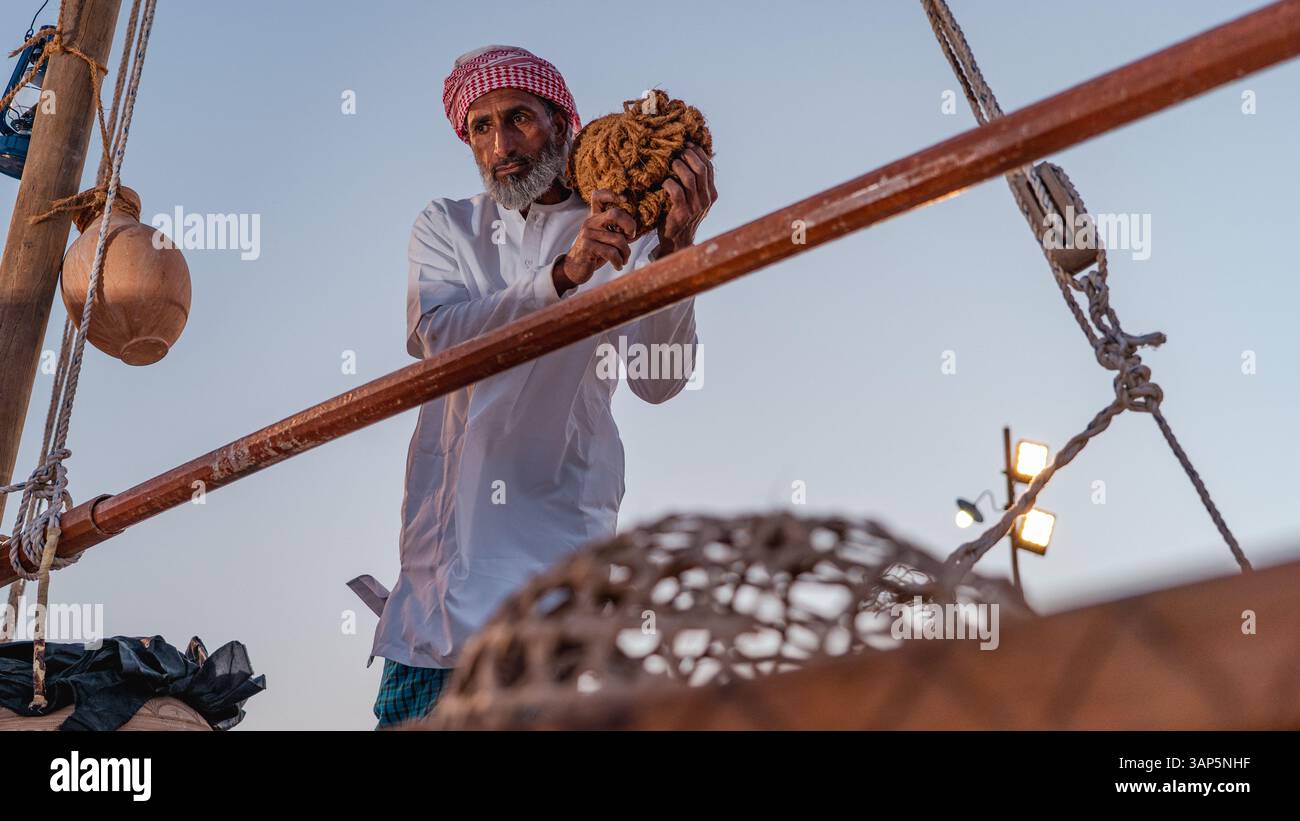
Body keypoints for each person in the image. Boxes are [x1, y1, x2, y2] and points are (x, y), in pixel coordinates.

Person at [370, 45, 716, 728]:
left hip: (557, 586)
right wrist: (566, 274)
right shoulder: (447, 226)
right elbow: (445, 339)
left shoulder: (629, 231)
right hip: (434, 597)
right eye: (482, 127)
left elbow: (661, 381)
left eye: (520, 119)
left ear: (562, 125)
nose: (502, 145)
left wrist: (678, 256)